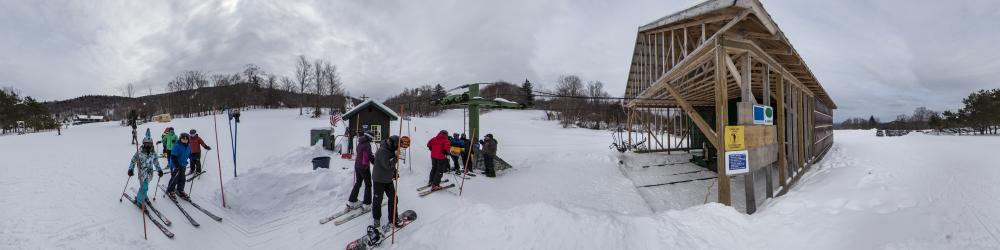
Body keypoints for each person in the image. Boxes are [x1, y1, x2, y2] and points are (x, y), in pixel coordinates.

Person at [372, 135, 401, 228]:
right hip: (379, 180)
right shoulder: (382, 151)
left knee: (393, 198)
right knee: (378, 200)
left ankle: (393, 218)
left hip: (388, 180)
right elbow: (388, 165)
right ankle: (376, 218)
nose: (397, 148)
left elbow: (392, 165)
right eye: (397, 146)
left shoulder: (391, 150)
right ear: (393, 144)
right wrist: (396, 157)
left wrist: (395, 172)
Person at [128, 137, 164, 205]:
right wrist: (131, 169)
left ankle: (144, 195)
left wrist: (159, 170)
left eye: (149, 144)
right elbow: (133, 160)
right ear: (143, 144)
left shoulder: (153, 153)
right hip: (142, 172)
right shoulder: (140, 152)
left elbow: (156, 162)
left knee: (145, 186)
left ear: (152, 144)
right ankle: (139, 201)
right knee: (144, 187)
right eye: (146, 144)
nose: (148, 146)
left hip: (150, 173)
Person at [347, 131, 374, 210]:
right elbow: (369, 156)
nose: (372, 140)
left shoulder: (360, 142)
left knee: (358, 182)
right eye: (372, 138)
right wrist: (375, 162)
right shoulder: (367, 144)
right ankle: (367, 203)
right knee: (368, 184)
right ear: (369, 137)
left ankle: (352, 200)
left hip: (357, 166)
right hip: (364, 167)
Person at [165, 133, 193, 199]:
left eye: (186, 139)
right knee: (175, 178)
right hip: (175, 165)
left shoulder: (189, 147)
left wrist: (193, 158)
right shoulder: (177, 146)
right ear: (181, 139)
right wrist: (177, 165)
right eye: (183, 139)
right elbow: (173, 156)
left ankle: (180, 190)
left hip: (183, 165)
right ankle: (170, 190)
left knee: (182, 178)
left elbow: (190, 155)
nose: (185, 140)